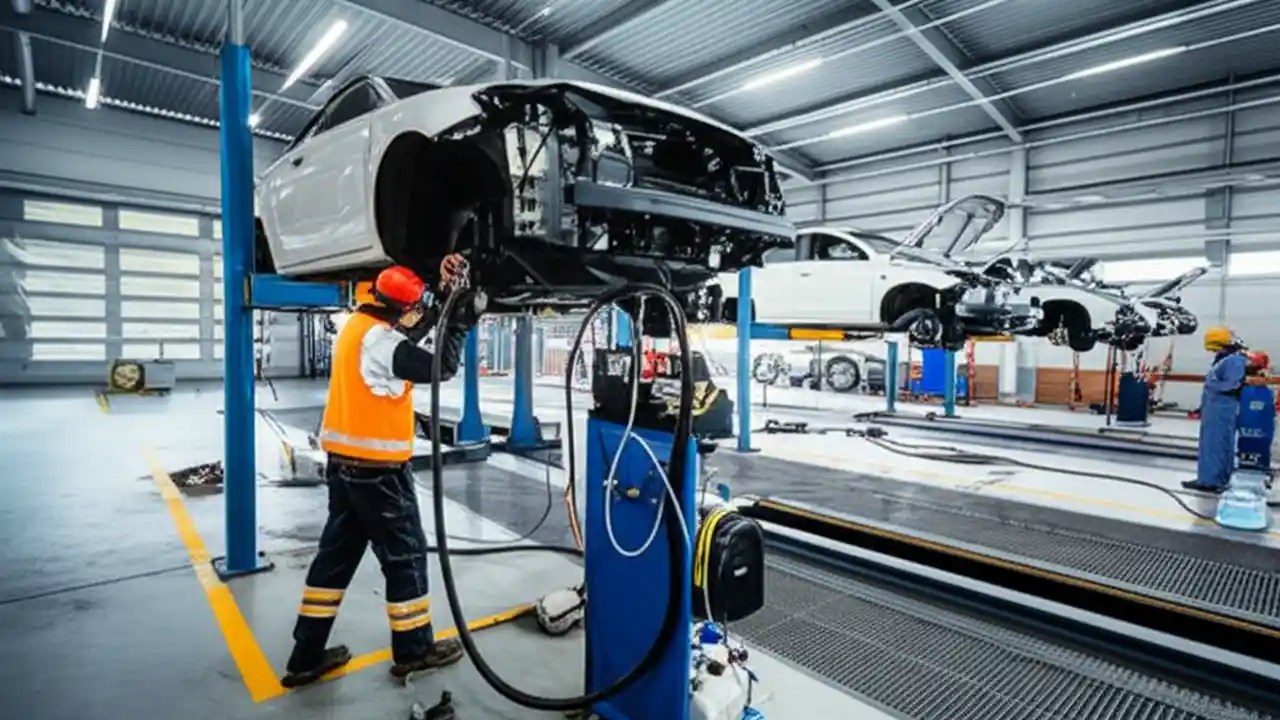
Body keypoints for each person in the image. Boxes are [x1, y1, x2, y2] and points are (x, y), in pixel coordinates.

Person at [282, 256, 478, 687]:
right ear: (399, 309)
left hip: (344, 471)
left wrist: (442, 300)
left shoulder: (356, 327)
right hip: (379, 476)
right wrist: (459, 324)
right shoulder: (383, 344)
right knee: (405, 555)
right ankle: (413, 650)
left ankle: (305, 655)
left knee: (333, 561)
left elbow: (405, 333)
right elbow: (438, 367)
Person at [1183, 326, 1247, 494]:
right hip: (1214, 409)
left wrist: (1212, 386)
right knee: (1210, 445)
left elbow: (1233, 384)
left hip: (1222, 410)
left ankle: (1212, 481)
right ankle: (1208, 478)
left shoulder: (1234, 360)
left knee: (1218, 445)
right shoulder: (1224, 359)